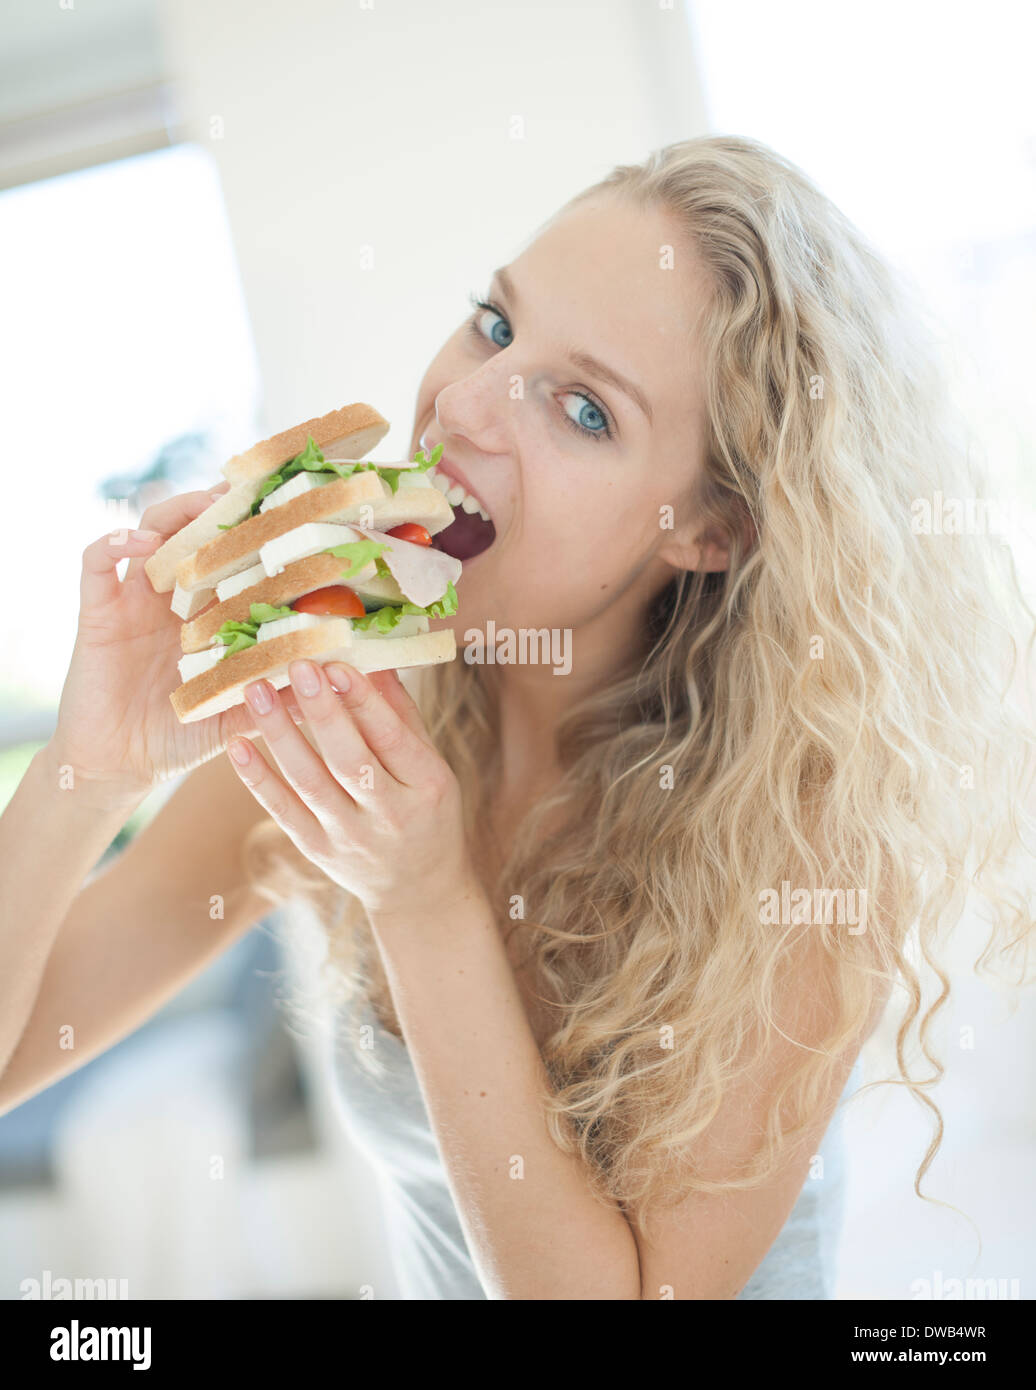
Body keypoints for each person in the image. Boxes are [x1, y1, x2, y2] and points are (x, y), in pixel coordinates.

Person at [1, 135, 1031, 1300]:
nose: (465, 408)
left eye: (583, 410)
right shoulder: (341, 720)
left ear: (711, 530)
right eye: (495, 324)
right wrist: (91, 764)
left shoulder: (798, 840)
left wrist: (423, 900)